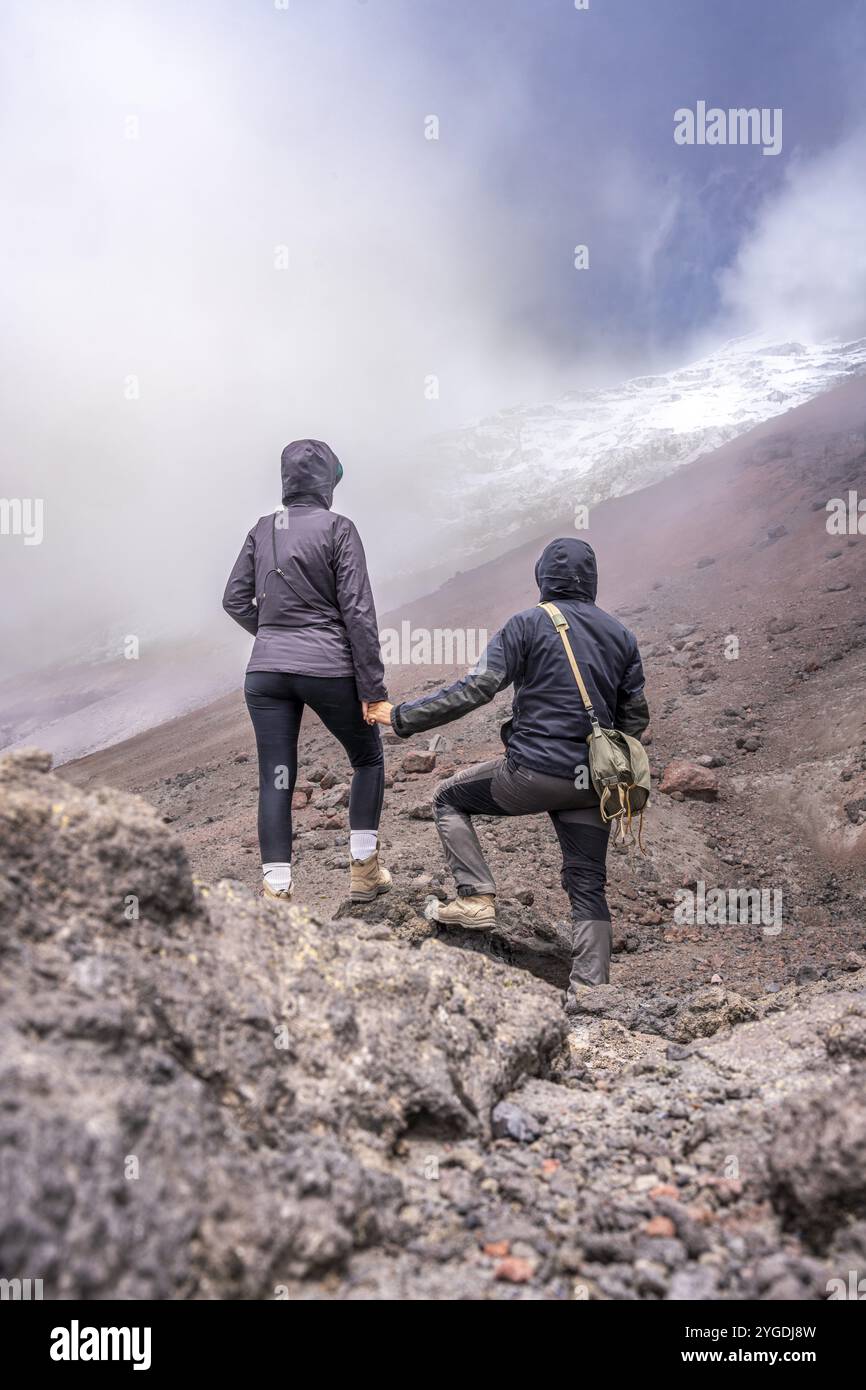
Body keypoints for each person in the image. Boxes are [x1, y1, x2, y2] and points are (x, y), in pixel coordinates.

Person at [366, 537, 649, 995]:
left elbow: (478, 688)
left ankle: (476, 897)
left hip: (531, 774)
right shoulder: (621, 636)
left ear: (543, 577)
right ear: (591, 579)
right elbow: (635, 720)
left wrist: (402, 717)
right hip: (592, 783)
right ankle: (593, 993)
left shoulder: (526, 625)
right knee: (587, 882)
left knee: (447, 798)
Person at [223, 438, 391, 904]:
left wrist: (274, 635)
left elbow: (233, 600)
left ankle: (276, 892)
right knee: (367, 759)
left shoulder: (262, 529)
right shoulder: (339, 528)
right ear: (326, 483)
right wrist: (373, 689)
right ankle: (364, 871)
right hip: (329, 667)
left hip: (265, 674)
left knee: (276, 775)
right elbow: (358, 612)